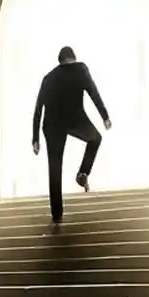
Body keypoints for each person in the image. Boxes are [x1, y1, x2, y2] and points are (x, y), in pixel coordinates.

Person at [31, 46, 112, 223]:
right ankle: (83, 172)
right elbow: (93, 92)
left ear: (60, 60)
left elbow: (38, 108)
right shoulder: (80, 69)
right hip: (75, 119)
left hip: (52, 124)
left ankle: (57, 214)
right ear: (73, 58)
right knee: (95, 138)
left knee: (54, 167)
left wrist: (35, 138)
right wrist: (104, 116)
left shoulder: (49, 78)